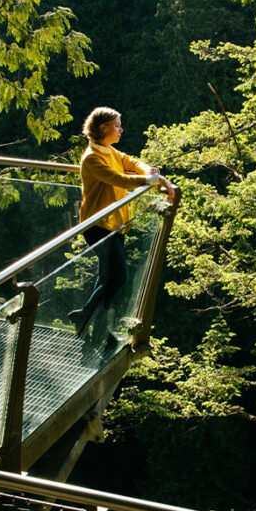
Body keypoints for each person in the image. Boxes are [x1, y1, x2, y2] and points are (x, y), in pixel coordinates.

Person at [70, 107, 174, 339]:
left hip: (115, 224)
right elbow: (117, 178)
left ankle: (96, 327)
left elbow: (132, 162)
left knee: (107, 277)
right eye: (116, 125)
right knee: (120, 277)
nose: (121, 130)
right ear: (102, 127)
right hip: (97, 225)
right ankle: (87, 316)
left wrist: (151, 172)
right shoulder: (92, 158)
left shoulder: (110, 152)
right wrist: (150, 180)